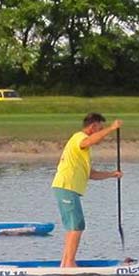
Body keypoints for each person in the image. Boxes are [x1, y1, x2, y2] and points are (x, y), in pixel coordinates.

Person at [50, 113, 123, 267]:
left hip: (67, 188)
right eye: (100, 129)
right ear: (93, 126)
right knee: (77, 225)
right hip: (66, 186)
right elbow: (89, 141)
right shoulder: (79, 137)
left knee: (73, 226)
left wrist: (112, 174)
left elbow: (90, 174)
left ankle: (65, 263)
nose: (101, 133)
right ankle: (69, 263)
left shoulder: (82, 151)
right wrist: (112, 128)